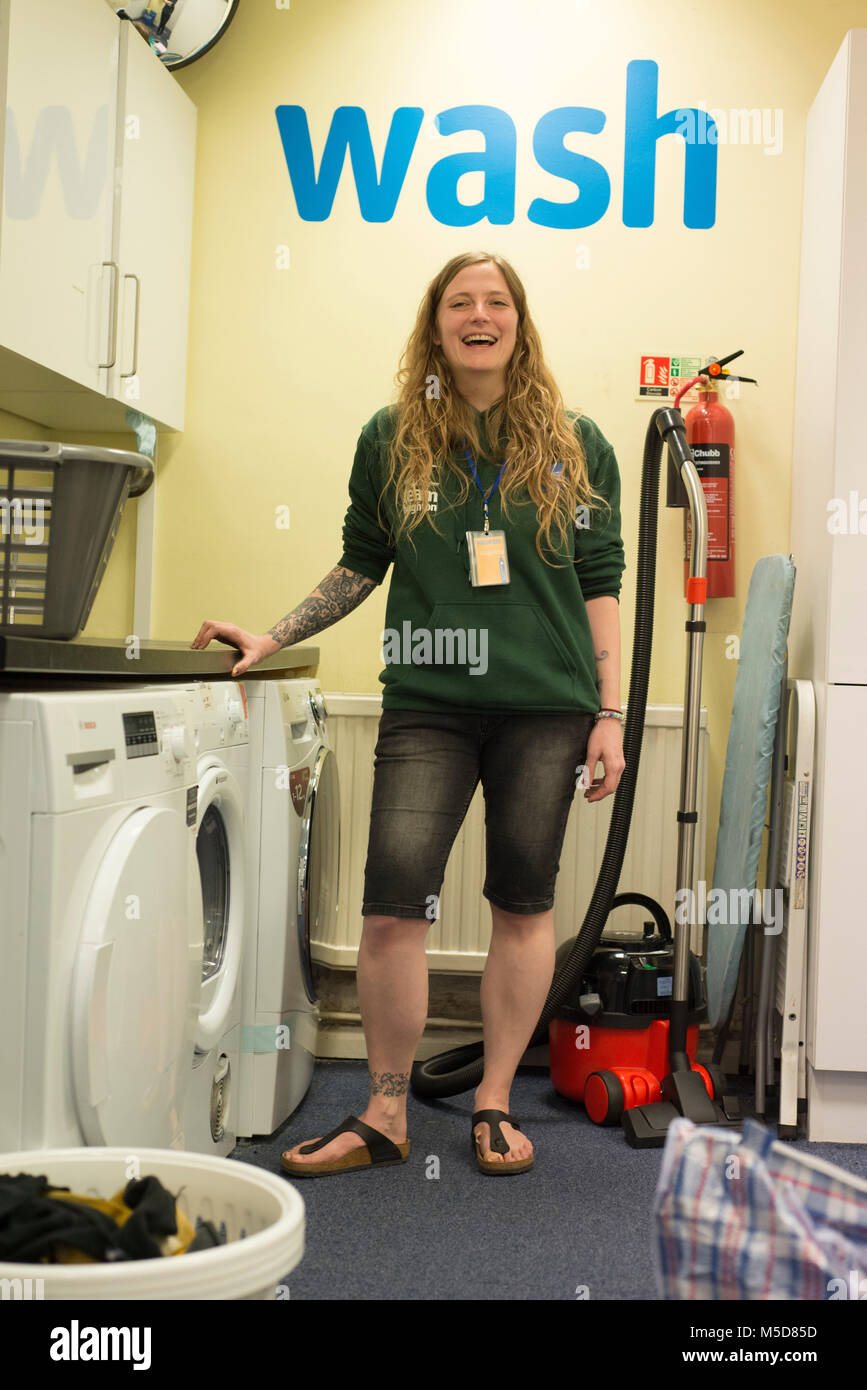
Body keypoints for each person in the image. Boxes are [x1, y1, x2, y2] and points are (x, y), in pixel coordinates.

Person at [191, 251, 626, 1176]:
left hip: (547, 708)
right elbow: (359, 562)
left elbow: (599, 583)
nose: (478, 315)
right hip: (427, 702)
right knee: (393, 909)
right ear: (435, 326)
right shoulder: (390, 438)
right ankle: (385, 1113)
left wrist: (611, 713)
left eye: (496, 301)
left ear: (519, 321)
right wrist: (271, 638)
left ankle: (495, 1101)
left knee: (523, 902)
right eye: (458, 302)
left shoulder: (575, 442)